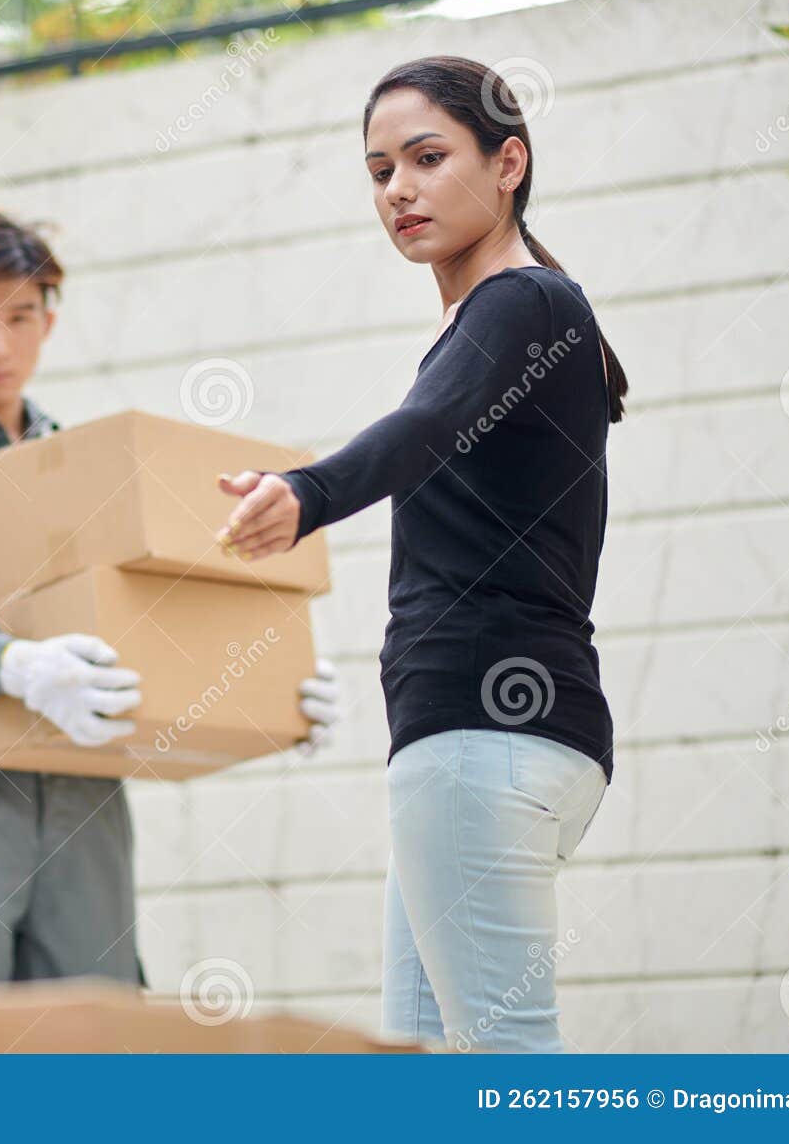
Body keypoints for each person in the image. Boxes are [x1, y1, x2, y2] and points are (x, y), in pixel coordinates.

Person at [215, 56, 626, 1053]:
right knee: (423, 1068)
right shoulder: (497, 323)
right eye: (378, 169)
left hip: (484, 727)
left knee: (502, 1064)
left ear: (508, 163)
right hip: (478, 739)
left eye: (427, 156)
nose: (397, 188)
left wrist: (306, 492)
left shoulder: (525, 304)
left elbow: (424, 427)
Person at [0, 209, 342, 991]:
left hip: (86, 786)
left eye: (20, 317)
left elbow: (159, 605)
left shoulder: (83, 461)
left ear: (49, 322)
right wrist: (14, 664)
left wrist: (275, 691)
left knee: (97, 1032)